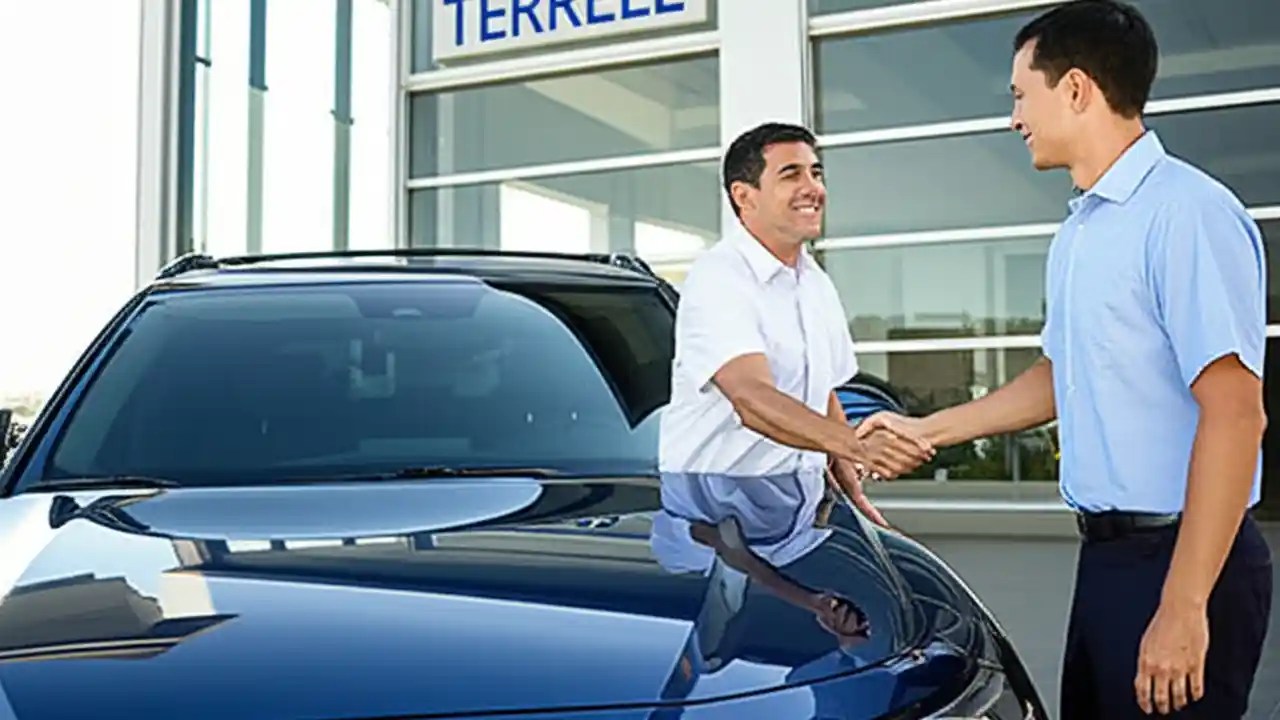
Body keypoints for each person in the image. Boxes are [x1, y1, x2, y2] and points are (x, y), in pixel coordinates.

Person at [862, 1, 1273, 717]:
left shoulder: (1187, 213)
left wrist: (1183, 606)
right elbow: (1059, 377)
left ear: (1076, 89)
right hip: (1108, 561)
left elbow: (1236, 415)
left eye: (1021, 95)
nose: (1014, 118)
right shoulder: (1082, 229)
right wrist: (927, 431)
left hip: (1184, 563)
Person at [657, 122, 935, 535]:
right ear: (744, 196)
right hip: (717, 511)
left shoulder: (814, 281)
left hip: (801, 505)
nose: (813, 188)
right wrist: (858, 445)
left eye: (816, 173)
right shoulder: (719, 278)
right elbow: (751, 399)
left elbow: (823, 395)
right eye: (791, 175)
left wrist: (851, 489)